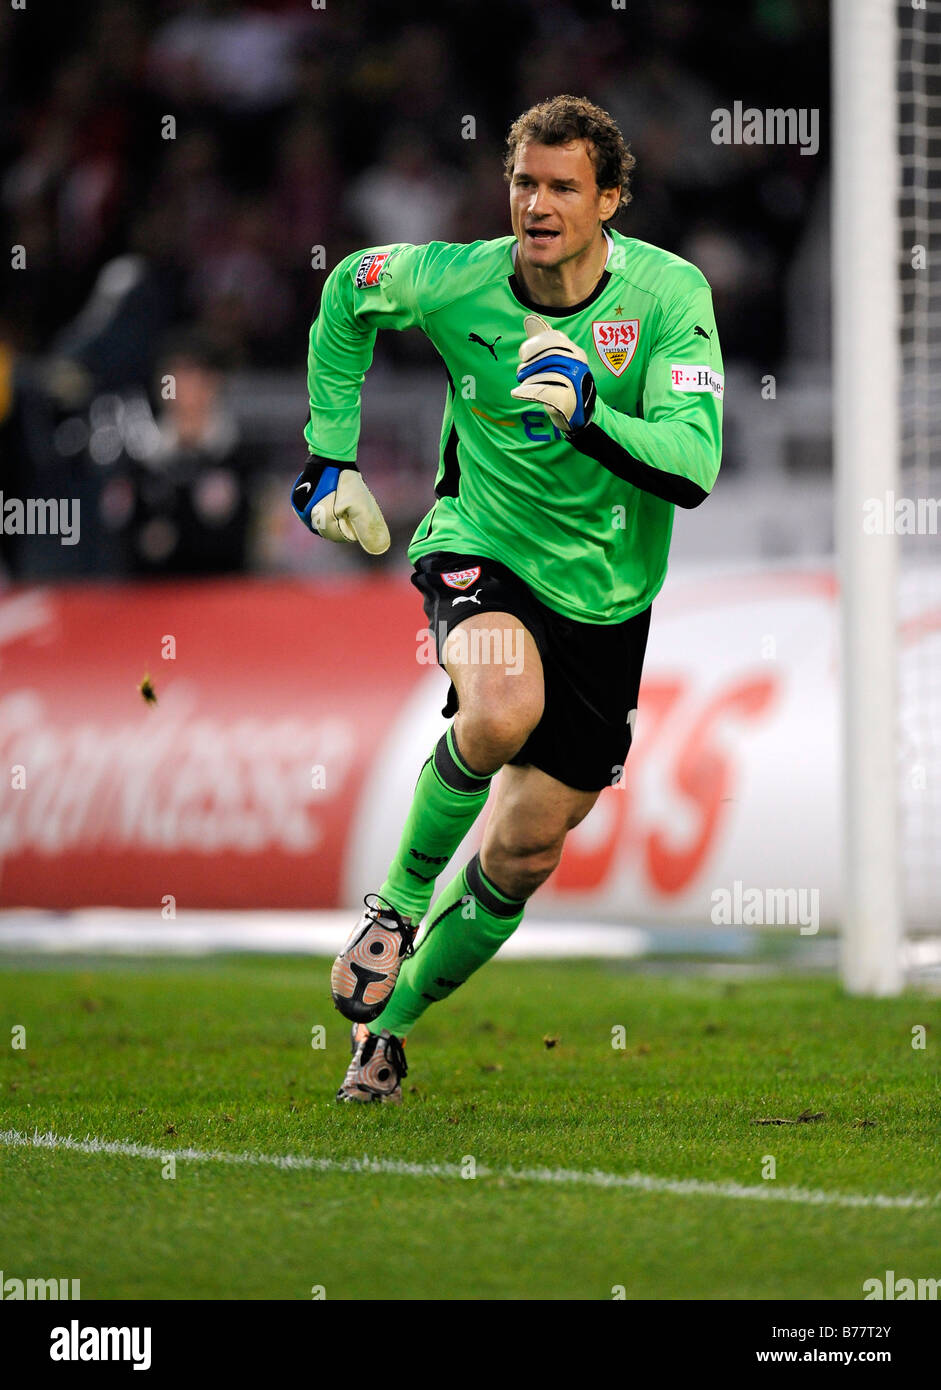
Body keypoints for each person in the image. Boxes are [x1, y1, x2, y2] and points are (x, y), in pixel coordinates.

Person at [291, 95, 723, 1102]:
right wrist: (326, 456)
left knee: (523, 853)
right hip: (475, 546)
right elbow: (349, 291)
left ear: (607, 199)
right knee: (499, 705)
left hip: (605, 602)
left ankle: (385, 1026)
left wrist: (587, 412)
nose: (535, 203)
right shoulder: (455, 279)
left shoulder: (666, 296)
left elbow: (693, 461)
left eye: (561, 186)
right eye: (523, 182)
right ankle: (394, 906)